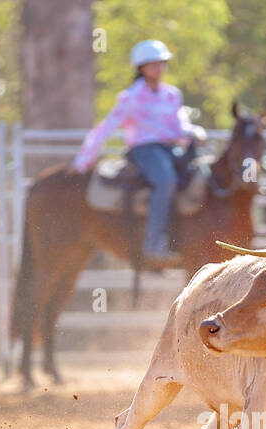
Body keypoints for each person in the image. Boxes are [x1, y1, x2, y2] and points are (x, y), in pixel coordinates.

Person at [73, 39, 203, 270]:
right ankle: (153, 246)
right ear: (141, 67)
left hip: (169, 148)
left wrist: (193, 132)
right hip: (144, 150)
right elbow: (106, 127)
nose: (158, 68)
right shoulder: (130, 97)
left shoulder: (172, 95)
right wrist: (84, 159)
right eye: (153, 64)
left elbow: (179, 124)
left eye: (161, 63)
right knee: (165, 180)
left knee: (200, 174)